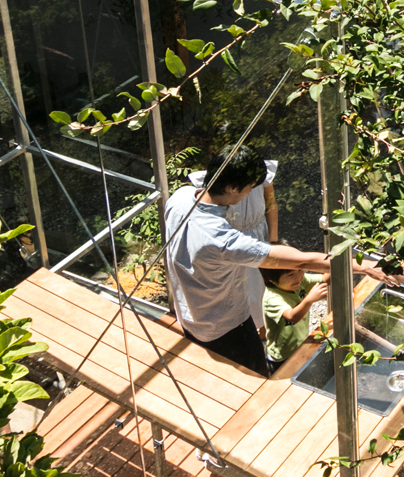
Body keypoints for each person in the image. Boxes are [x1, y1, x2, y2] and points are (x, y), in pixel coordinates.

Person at [164, 146, 387, 377]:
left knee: (212, 371)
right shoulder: (224, 240)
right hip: (226, 326)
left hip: (189, 315)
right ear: (231, 188)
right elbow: (302, 261)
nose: (251, 193)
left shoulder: (179, 198)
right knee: (255, 378)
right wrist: (365, 266)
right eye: (250, 188)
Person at [187, 152, 277, 335]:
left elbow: (271, 203)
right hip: (229, 240)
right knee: (237, 290)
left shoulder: (258, 173)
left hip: (258, 233)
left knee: (260, 289)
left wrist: (274, 240)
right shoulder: (213, 184)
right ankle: (244, 332)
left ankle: (263, 333)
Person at [262, 267, 328, 370]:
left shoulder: (299, 281)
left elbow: (325, 278)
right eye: (290, 275)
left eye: (300, 270)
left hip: (300, 345)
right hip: (282, 356)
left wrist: (335, 261)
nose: (298, 277)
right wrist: (309, 299)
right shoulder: (272, 298)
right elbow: (292, 317)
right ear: (271, 279)